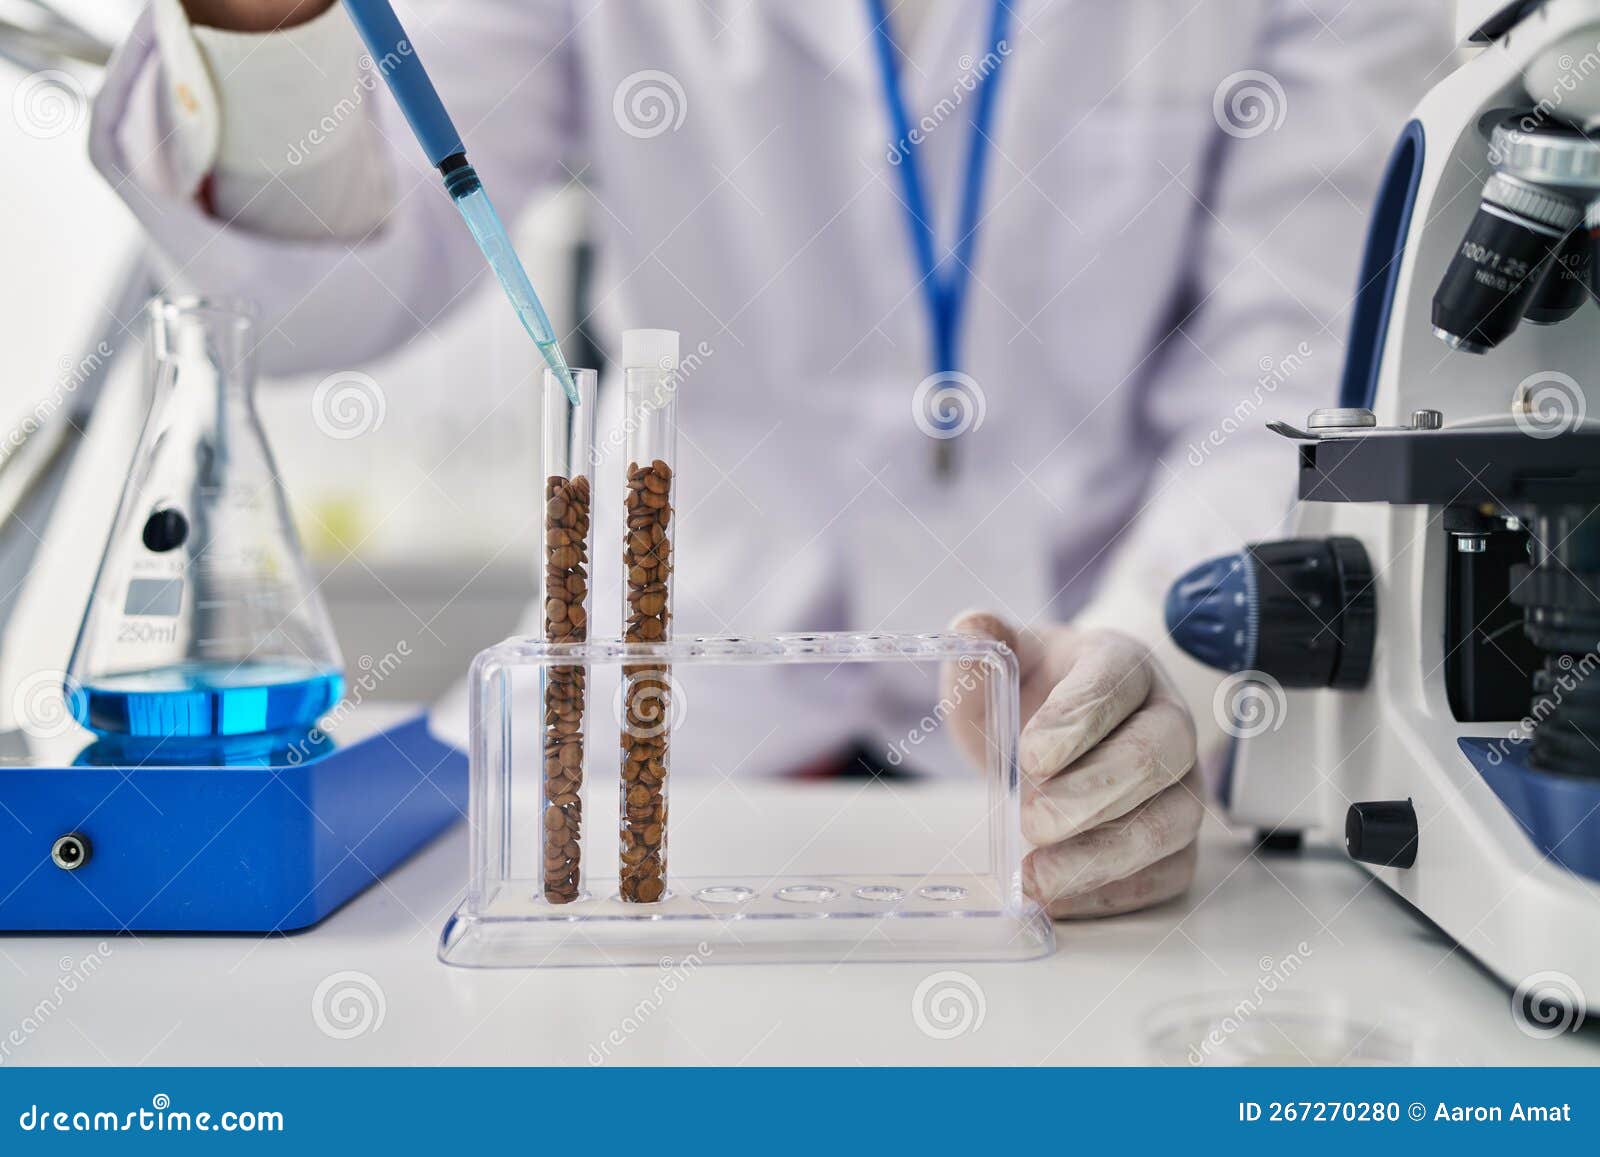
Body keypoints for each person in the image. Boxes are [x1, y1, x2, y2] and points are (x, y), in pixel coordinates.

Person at [88, 0, 1451, 917]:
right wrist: (260, 27)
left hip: (1089, 701)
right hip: (666, 745)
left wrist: (1154, 672)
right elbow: (325, 288)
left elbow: (1296, 378)